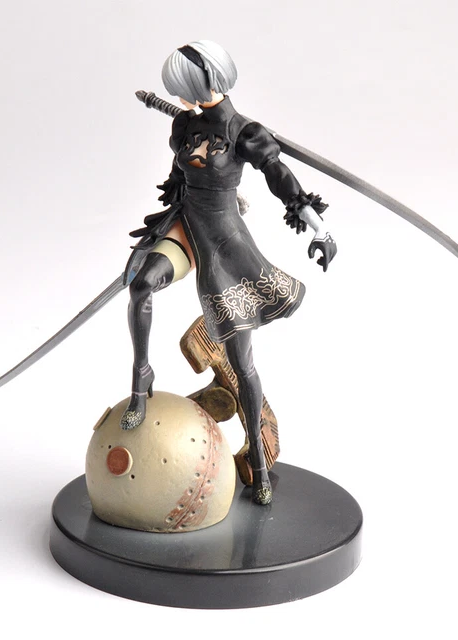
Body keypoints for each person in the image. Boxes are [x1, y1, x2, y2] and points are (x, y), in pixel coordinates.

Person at [120, 40, 337, 505]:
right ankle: (142, 379)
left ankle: (257, 455)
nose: (177, 97)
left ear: (203, 82)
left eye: (181, 86)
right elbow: (179, 180)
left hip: (225, 243)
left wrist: (318, 227)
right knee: (141, 286)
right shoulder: (183, 124)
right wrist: (152, 236)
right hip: (186, 225)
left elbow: (279, 177)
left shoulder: (244, 132)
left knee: (242, 363)